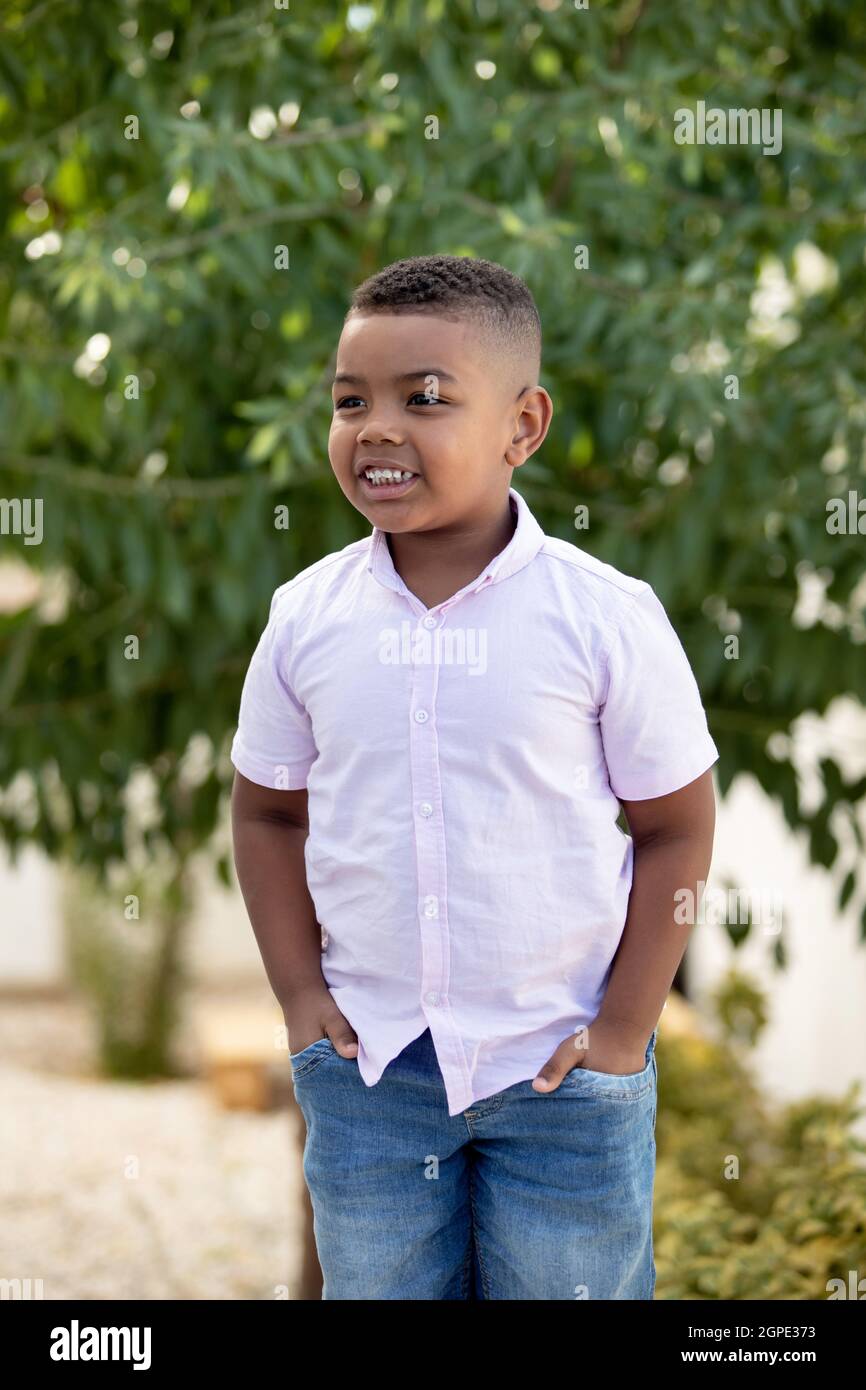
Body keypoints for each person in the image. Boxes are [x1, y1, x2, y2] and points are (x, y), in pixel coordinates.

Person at [230, 254, 718, 1300]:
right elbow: (267, 811)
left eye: (426, 398)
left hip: (562, 1080)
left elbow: (676, 826)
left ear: (522, 426)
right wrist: (300, 996)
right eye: (350, 400)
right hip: (370, 1075)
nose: (377, 428)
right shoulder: (305, 618)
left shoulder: (602, 617)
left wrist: (625, 1028)